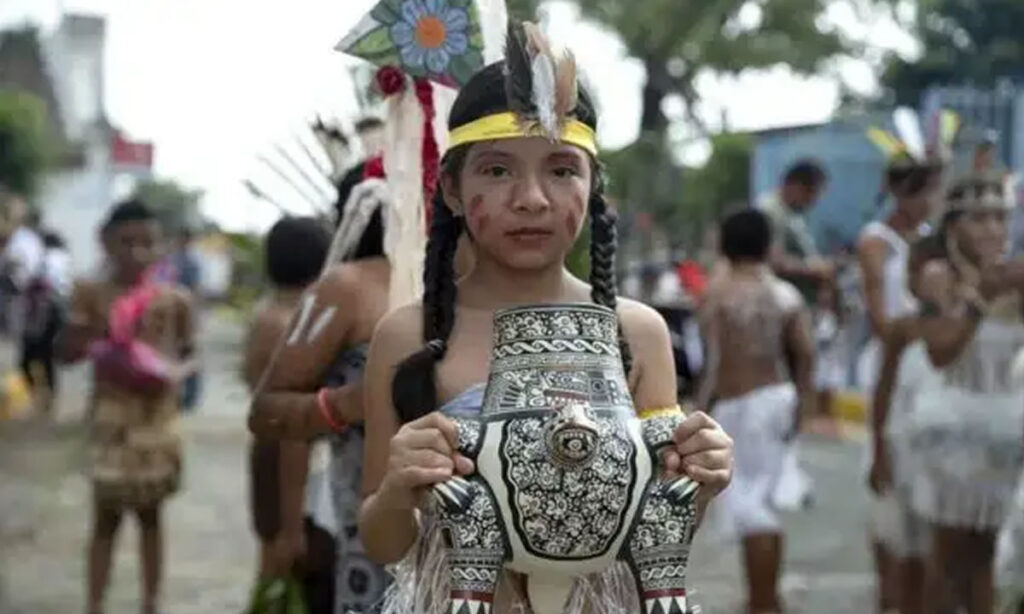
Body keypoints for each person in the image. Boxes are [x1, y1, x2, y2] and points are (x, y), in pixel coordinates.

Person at [356, 21, 734, 614]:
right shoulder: (408, 335)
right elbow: (383, 542)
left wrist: (700, 478)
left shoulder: (636, 334)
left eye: (561, 169)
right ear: (452, 189)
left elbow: (659, 534)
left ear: (592, 187)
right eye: (497, 170)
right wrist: (399, 487)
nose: (532, 197)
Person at [249, 157, 400, 613]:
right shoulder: (346, 289)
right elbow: (271, 415)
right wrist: (349, 404)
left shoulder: (476, 282)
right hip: (367, 524)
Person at [61, 199, 194, 614]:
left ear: (161, 247)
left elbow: (189, 353)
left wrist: (173, 372)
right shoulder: (90, 293)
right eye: (125, 242)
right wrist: (96, 338)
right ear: (105, 243)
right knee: (105, 520)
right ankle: (94, 604)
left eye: (146, 243)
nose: (135, 252)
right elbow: (67, 352)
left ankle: (151, 603)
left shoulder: (174, 299)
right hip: (110, 423)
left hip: (157, 424)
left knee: (151, 518)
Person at [906, 172, 1024, 614]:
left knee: (987, 552)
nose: (994, 229)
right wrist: (981, 297)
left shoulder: (1017, 277)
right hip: (952, 425)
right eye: (980, 218)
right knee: (948, 551)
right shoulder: (941, 276)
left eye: (1001, 218)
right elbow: (940, 351)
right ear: (955, 226)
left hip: (1006, 427)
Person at [698, 209, 814, 614]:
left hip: (740, 403)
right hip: (778, 399)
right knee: (760, 505)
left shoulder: (718, 296)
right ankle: (764, 598)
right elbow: (806, 354)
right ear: (767, 244)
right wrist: (802, 405)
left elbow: (712, 363)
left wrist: (699, 408)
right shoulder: (784, 294)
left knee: (752, 510)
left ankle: (762, 602)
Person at [856, 157, 942, 614]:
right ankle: (889, 597)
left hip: (934, 360)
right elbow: (879, 313)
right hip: (892, 360)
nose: (933, 201)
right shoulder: (877, 241)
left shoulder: (936, 241)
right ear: (906, 193)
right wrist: (912, 334)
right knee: (888, 479)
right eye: (927, 191)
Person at [243, 216, 334, 610]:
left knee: (271, 555)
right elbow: (295, 425)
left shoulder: (264, 314)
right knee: (291, 554)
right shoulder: (298, 325)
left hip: (265, 448)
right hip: (290, 456)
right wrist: (294, 523)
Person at [867, 222, 954, 614]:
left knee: (945, 556)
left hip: (951, 458)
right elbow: (882, 391)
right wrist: (878, 453)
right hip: (903, 449)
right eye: (913, 270)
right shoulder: (903, 328)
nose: (917, 279)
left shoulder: (965, 326)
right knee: (904, 551)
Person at [757, 159, 832, 304]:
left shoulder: (794, 213)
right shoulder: (770, 211)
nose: (813, 200)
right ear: (795, 186)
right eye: (811, 193)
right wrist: (814, 269)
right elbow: (774, 262)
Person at [20, 230, 72, 416]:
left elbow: (38, 282)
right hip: (58, 310)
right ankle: (49, 398)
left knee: (28, 357)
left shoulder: (47, 258)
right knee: (48, 355)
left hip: (44, 310)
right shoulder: (64, 258)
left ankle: (39, 396)